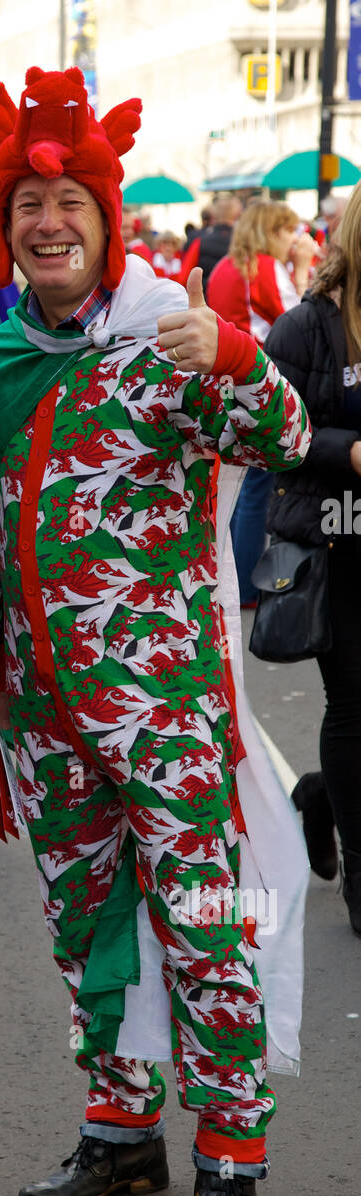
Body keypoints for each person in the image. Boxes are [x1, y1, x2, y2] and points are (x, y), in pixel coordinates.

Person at [0, 65, 310, 1196]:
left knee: (201, 924)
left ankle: (230, 1159)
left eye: (68, 201)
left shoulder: (164, 337)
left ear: (104, 221)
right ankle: (120, 1129)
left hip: (162, 709)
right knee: (86, 926)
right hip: (41, 715)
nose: (46, 222)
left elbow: (282, 438)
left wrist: (234, 351)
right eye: (26, 204)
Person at [264, 181, 361, 936]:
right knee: (355, 707)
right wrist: (348, 451)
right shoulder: (305, 328)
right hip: (337, 546)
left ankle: (323, 795)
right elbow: (272, 434)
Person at [208, 200, 318, 604]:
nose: (293, 239)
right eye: (287, 230)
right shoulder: (263, 266)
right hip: (255, 386)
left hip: (222, 384)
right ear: (271, 231)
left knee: (239, 490)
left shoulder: (226, 265)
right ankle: (246, 585)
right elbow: (301, 320)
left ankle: (236, 579)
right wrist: (302, 270)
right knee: (256, 488)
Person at [179, 192, 242, 293]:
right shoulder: (242, 243)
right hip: (234, 297)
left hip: (206, 298)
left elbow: (184, 277)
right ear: (236, 214)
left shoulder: (200, 242)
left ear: (214, 214)